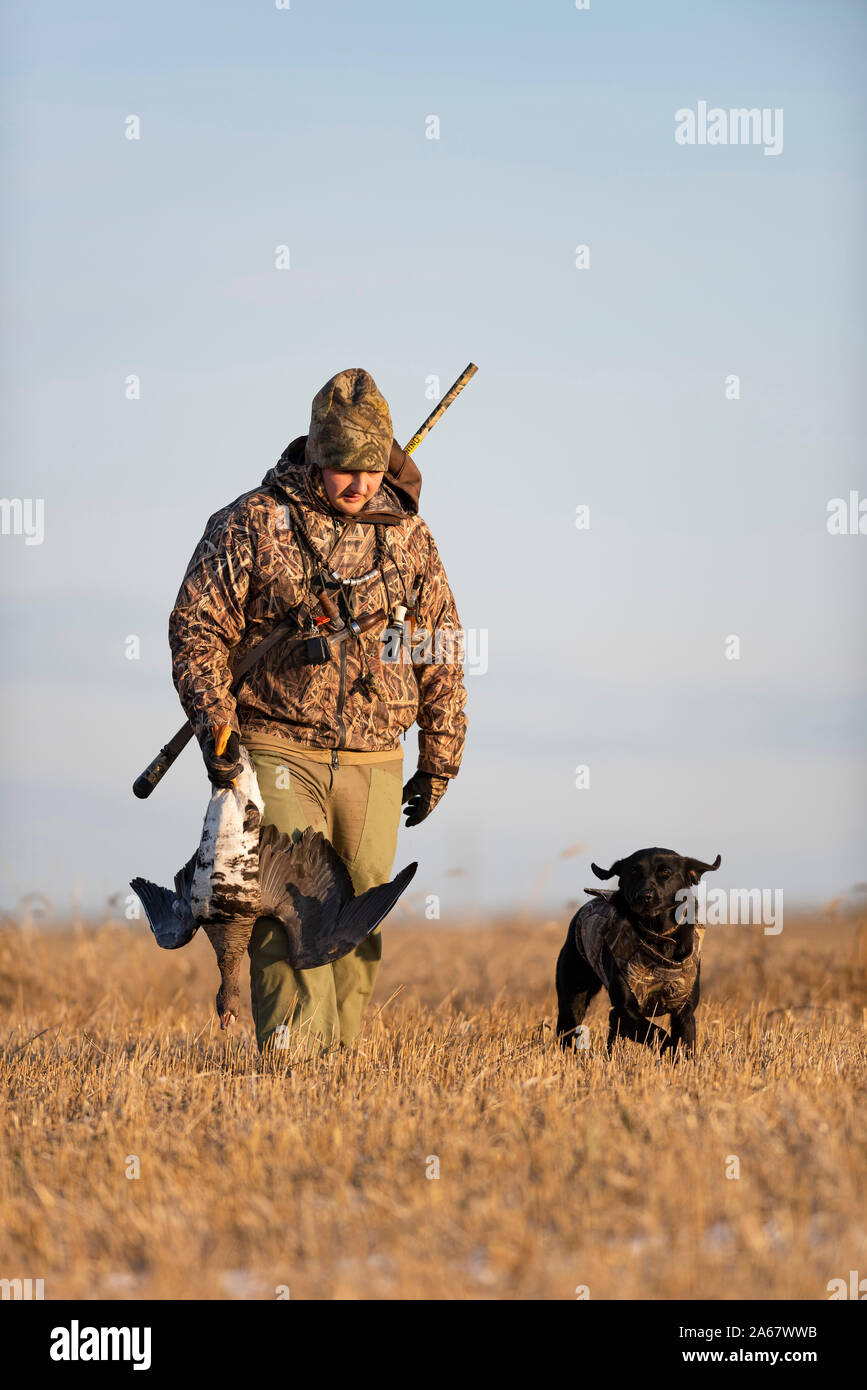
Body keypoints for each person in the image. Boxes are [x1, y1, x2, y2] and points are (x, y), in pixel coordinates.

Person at [168, 368, 467, 1054]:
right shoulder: (252, 522)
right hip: (275, 744)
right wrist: (217, 724)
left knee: (358, 914)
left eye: (369, 467)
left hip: (376, 758)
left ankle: (341, 1063)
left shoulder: (409, 537)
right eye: (339, 467)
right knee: (288, 904)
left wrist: (440, 756)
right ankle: (292, 1055)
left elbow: (438, 649)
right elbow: (197, 629)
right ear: (313, 455)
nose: (356, 484)